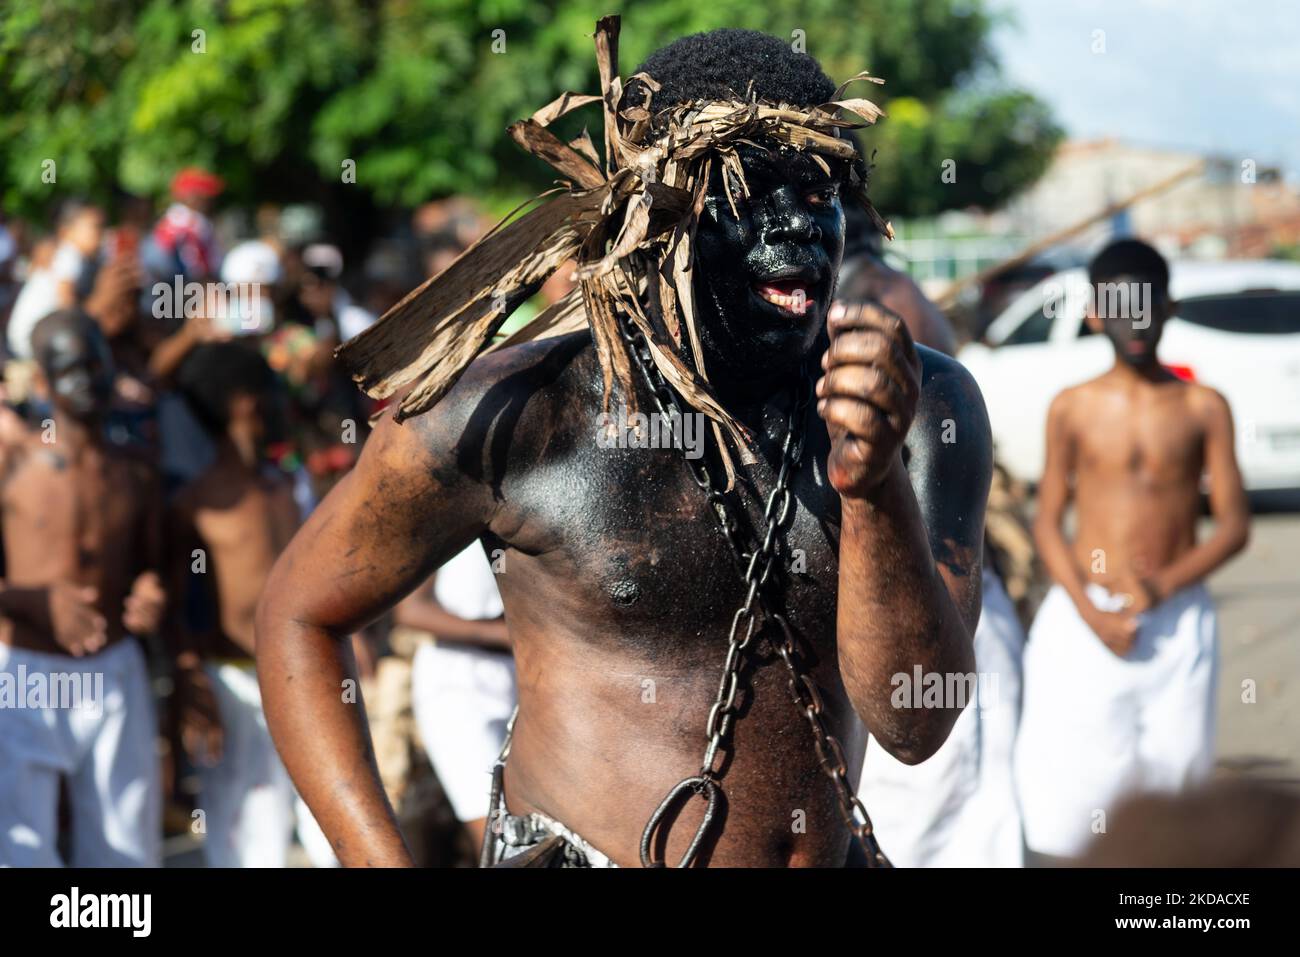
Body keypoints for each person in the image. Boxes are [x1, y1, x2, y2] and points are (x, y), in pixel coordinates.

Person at [256, 21, 992, 868]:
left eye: (820, 188)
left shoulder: (920, 403)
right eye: (753, 187)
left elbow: (913, 722)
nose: (797, 225)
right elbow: (297, 613)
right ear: (657, 212)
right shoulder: (516, 411)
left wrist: (873, 487)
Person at [1014, 238, 1250, 860]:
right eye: (1120, 308)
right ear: (1095, 314)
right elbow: (1047, 523)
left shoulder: (1204, 407)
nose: (1135, 322)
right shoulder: (1074, 408)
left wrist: (1162, 587)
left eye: (1148, 308)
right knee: (1070, 801)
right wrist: (1092, 612)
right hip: (1084, 616)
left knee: (1177, 793)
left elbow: (1233, 526)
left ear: (1169, 308)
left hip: (1177, 622)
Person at [0, 309, 165, 866]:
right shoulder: (12, 462)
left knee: (126, 853)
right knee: (19, 850)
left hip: (116, 672)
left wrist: (150, 593)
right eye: (69, 369)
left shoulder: (134, 468)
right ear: (42, 381)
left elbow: (150, 562)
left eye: (97, 364)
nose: (87, 381)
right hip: (25, 678)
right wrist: (34, 601)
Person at [167, 341, 333, 867]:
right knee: (247, 835)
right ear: (245, 403)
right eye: (270, 391)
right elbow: (179, 607)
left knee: (328, 817)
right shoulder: (197, 506)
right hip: (233, 683)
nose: (280, 403)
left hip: (303, 672)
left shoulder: (287, 485)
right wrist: (192, 683)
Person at [398, 545, 513, 850]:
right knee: (496, 831)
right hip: (456, 682)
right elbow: (410, 609)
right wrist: (502, 634)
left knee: (528, 823)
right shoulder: (454, 513)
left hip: (520, 677)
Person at [7, 201, 105, 360]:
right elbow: (66, 301)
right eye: (95, 227)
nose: (100, 234)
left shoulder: (70, 255)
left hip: (28, 338)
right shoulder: (70, 256)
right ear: (68, 231)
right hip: (34, 340)